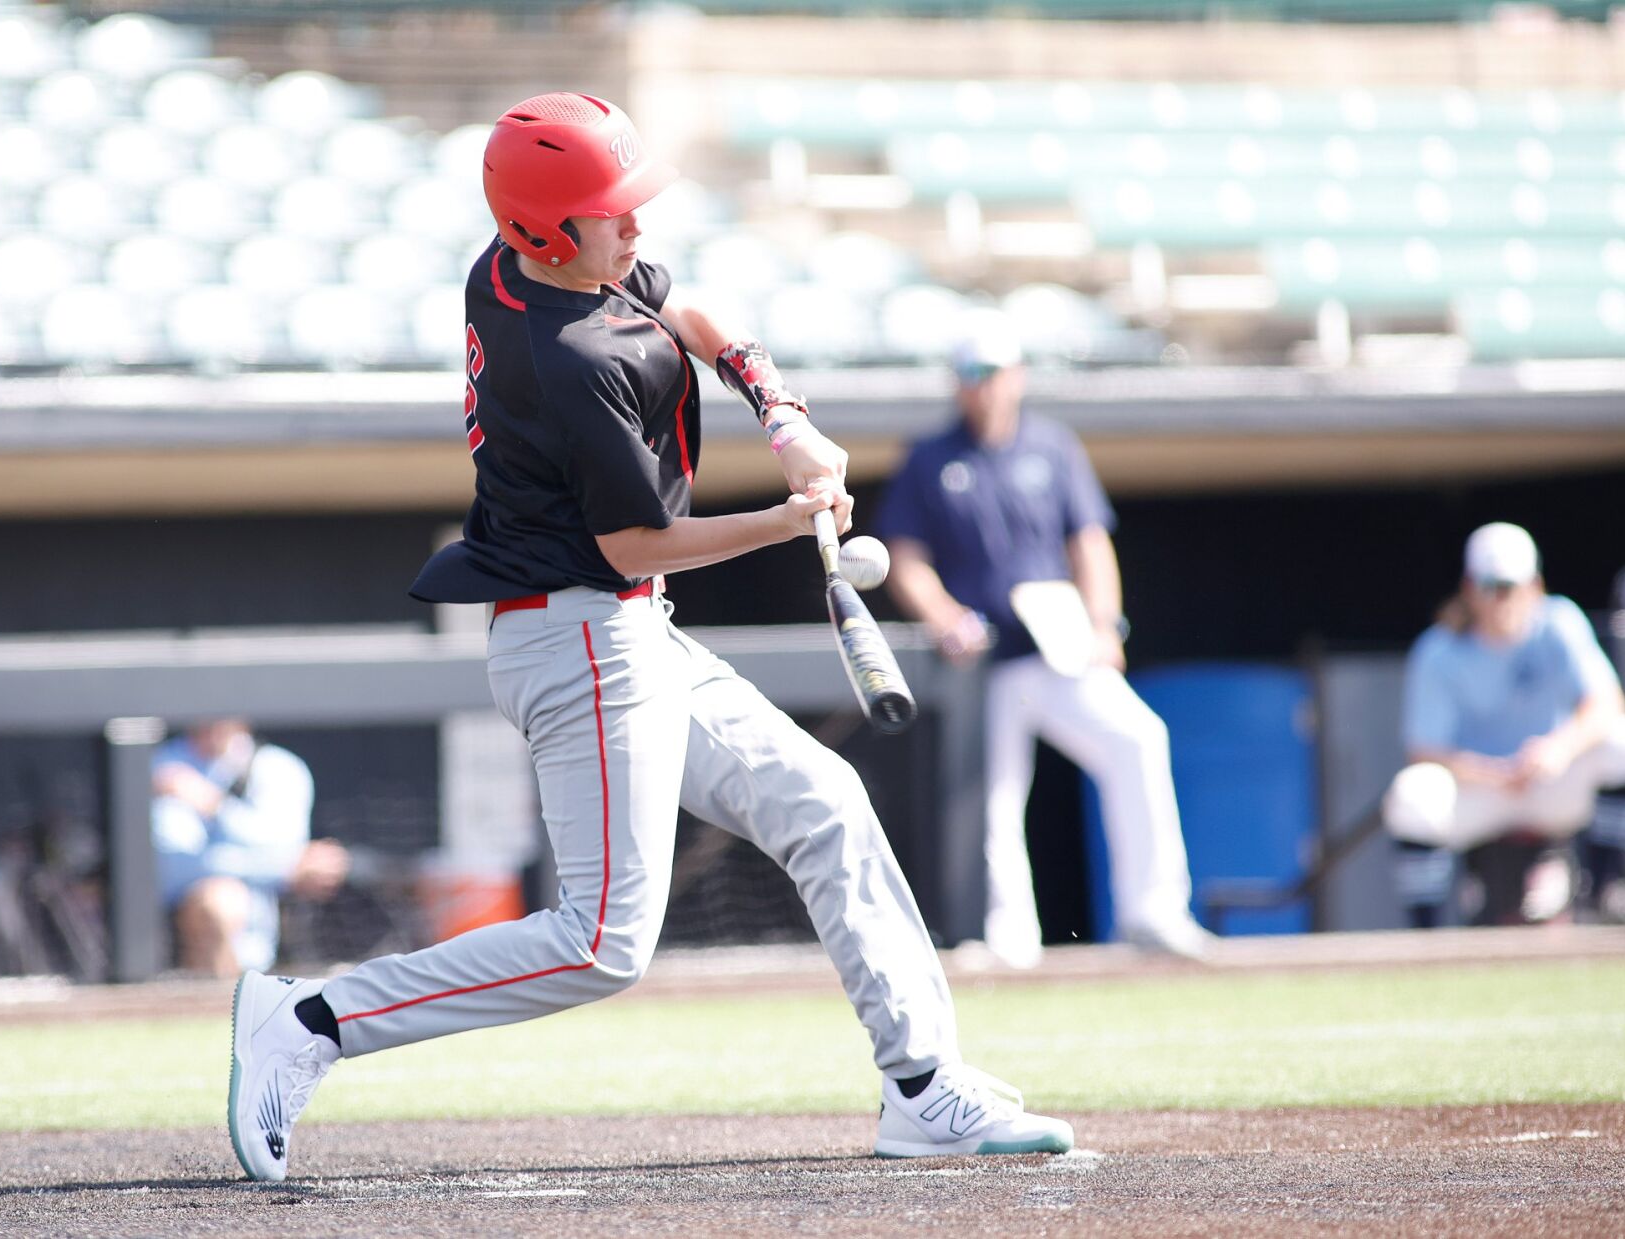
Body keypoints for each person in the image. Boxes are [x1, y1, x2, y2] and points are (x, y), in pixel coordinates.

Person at [226, 93, 1072, 1183]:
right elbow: (634, 545)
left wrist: (782, 416)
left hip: (620, 633)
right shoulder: (568, 357)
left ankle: (923, 1088)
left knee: (825, 804)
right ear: (545, 229)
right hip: (581, 634)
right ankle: (310, 1021)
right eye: (605, 211)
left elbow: (698, 318)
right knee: (601, 944)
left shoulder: (535, 258)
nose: (632, 226)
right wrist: (789, 517)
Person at [875, 312, 1210, 968]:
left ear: (1018, 376)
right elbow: (905, 554)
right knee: (992, 796)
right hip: (981, 661)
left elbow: (1088, 541)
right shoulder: (929, 457)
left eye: (993, 372)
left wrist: (1105, 623)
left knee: (1139, 738)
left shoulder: (1053, 447)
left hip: (1057, 647)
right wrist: (942, 615)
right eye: (969, 374)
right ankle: (1007, 937)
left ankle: (1155, 912)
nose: (983, 386)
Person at [1383, 522, 1625, 927]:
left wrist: (1559, 747)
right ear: (1469, 589)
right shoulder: (1439, 649)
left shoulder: (1559, 622)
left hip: (1550, 782)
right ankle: (1424, 938)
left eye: (1511, 587)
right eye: (1490, 587)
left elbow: (1608, 703)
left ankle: (1605, 892)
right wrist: (1492, 773)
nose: (1502, 600)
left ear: (1535, 585)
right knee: (1413, 794)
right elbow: (1423, 749)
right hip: (1481, 790)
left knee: (1621, 743)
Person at [152, 719, 348, 977]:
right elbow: (168, 869)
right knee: (221, 899)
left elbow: (286, 850)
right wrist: (283, 871)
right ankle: (216, 1007)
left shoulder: (278, 767)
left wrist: (216, 806)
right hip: (172, 926)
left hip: (271, 928)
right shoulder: (163, 766)